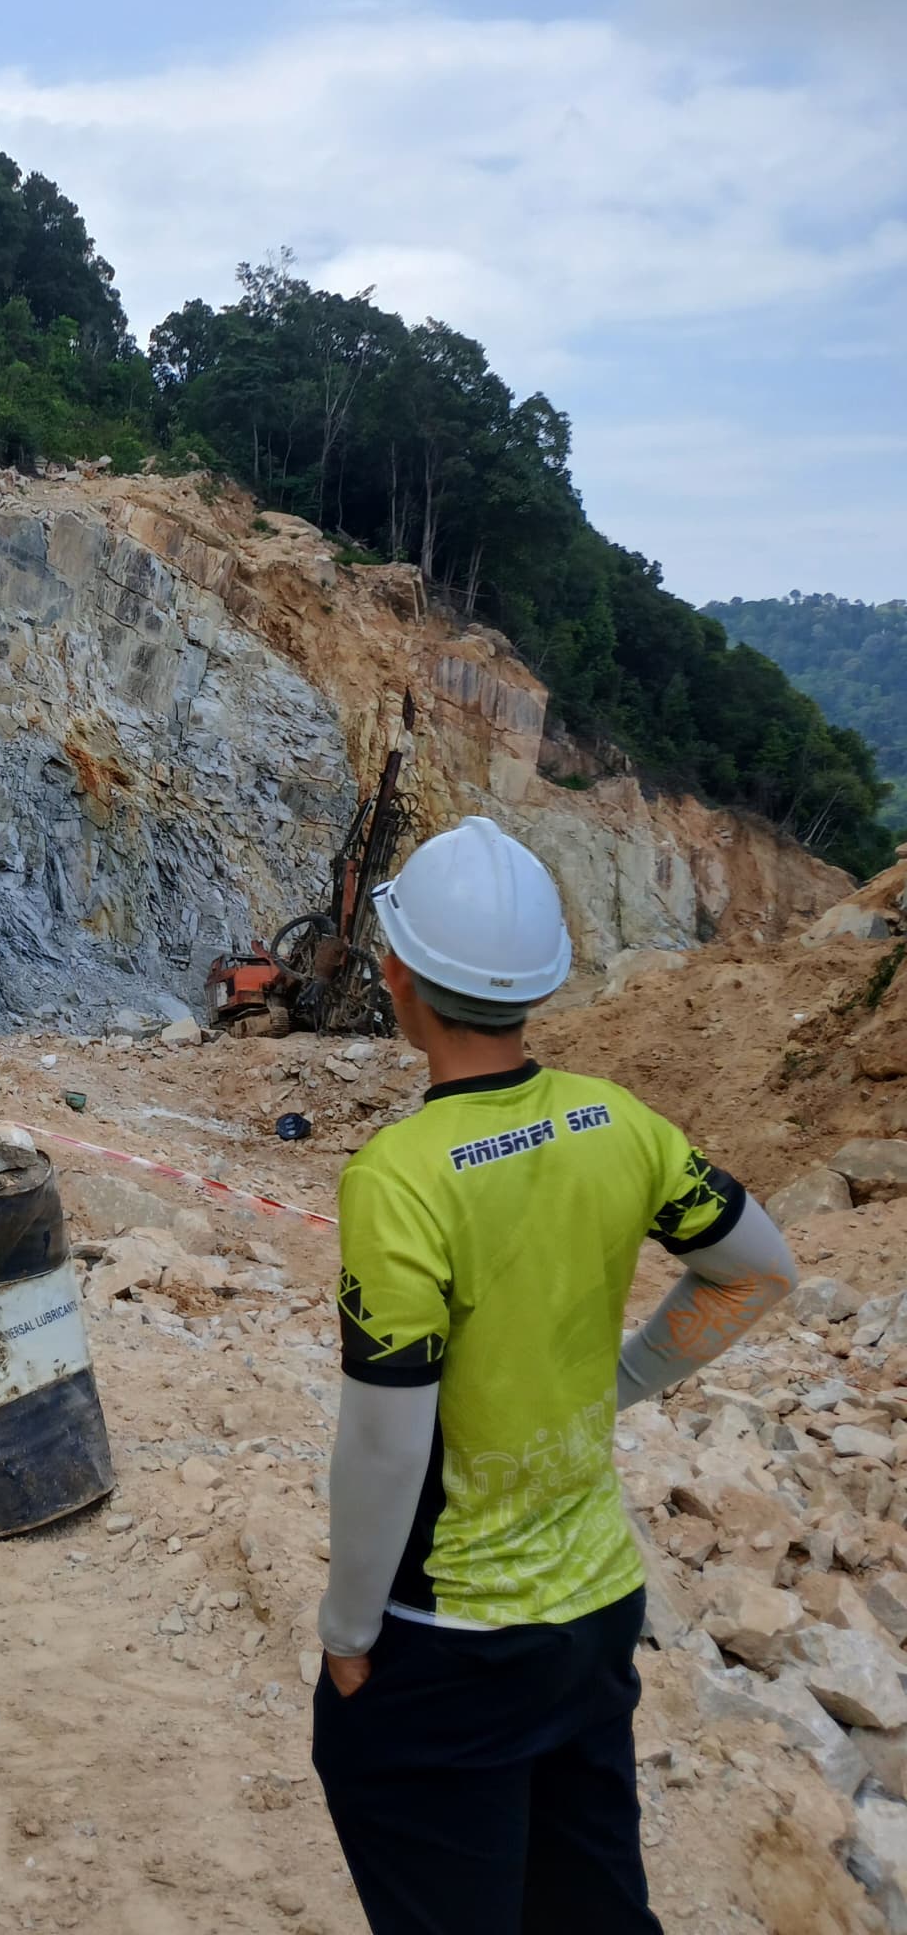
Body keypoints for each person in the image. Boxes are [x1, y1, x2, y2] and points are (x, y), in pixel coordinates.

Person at [311, 815, 797, 1935]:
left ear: (397, 974)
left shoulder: (401, 1176)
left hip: (453, 1633)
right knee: (591, 1906)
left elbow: (388, 1441)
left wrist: (348, 1629)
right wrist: (617, 1384)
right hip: (595, 1610)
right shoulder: (616, 1120)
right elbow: (757, 1268)